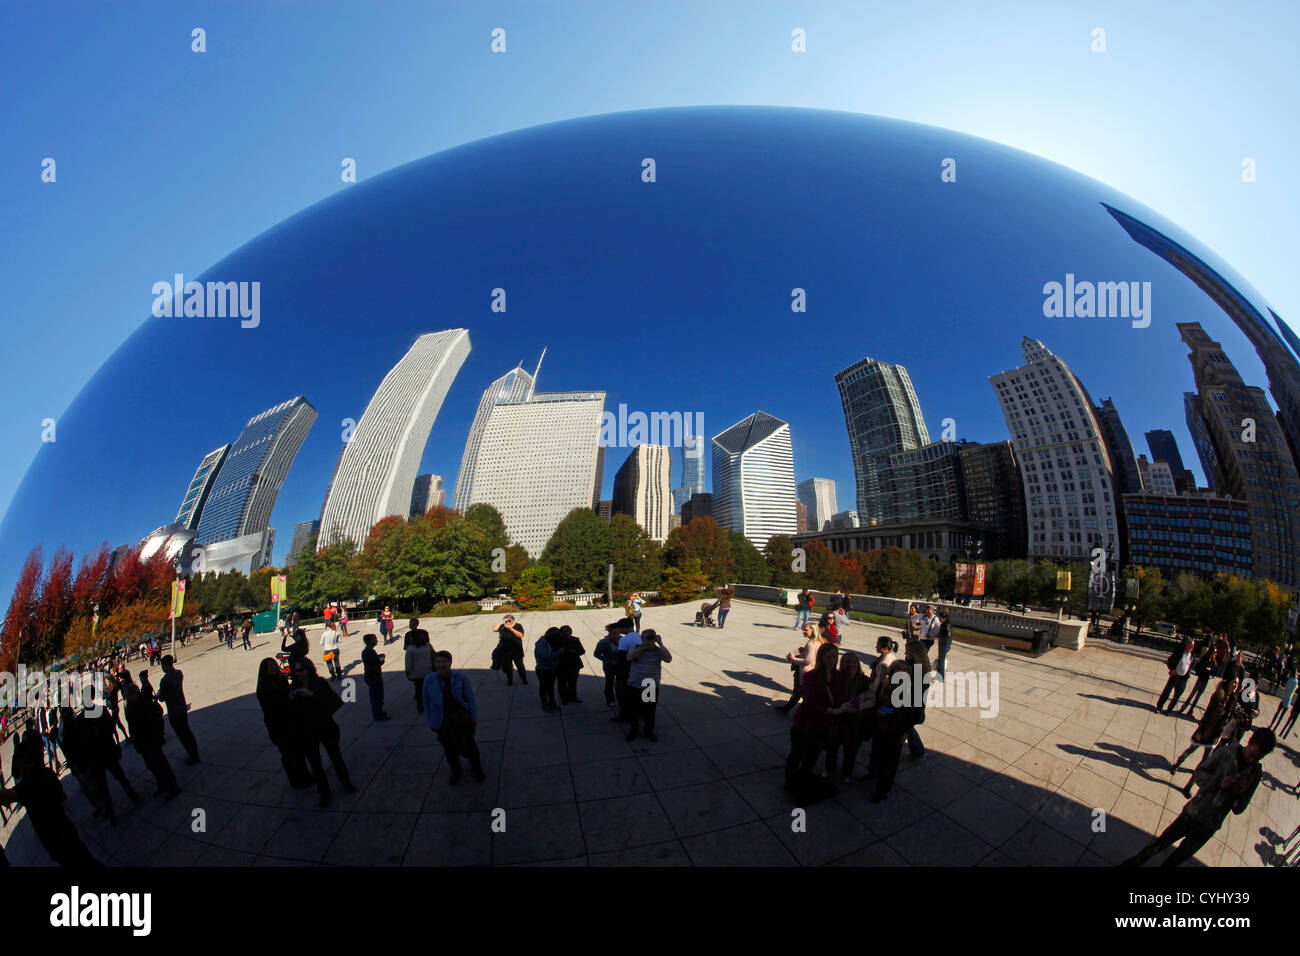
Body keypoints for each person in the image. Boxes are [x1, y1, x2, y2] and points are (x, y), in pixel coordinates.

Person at [1123, 728, 1276, 867]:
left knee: (1174, 861)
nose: (1251, 760)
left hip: (1208, 826)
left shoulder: (1255, 774)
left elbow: (1240, 809)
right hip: (1193, 813)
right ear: (1249, 742)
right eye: (1251, 755)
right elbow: (1198, 774)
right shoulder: (1227, 752)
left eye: (1257, 758)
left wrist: (1238, 794)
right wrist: (1218, 783)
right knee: (1159, 844)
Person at [0, 736, 100, 867]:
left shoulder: (29, 785)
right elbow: (63, 796)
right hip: (66, 830)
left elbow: (5, 797)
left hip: (56, 840)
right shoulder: (47, 773)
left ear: (25, 762)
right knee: (85, 859)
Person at [289, 657, 356, 807]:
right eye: (296, 670)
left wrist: (312, 695)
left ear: (308, 669)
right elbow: (293, 712)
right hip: (307, 731)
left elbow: (333, 702)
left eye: (301, 670)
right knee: (315, 763)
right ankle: (323, 791)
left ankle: (345, 781)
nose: (298, 673)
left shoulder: (319, 683)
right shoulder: (294, 687)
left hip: (324, 726)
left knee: (335, 756)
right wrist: (291, 699)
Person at [867, 640, 930, 802]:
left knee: (890, 759)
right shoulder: (892, 683)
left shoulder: (915, 675)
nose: (905, 656)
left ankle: (882, 790)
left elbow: (904, 710)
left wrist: (889, 714)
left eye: (907, 653)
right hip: (885, 724)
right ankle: (873, 773)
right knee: (878, 752)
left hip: (897, 725)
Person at [784, 643, 839, 796]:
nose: (832, 660)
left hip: (823, 724)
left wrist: (851, 706)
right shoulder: (811, 675)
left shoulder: (837, 676)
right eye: (828, 657)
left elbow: (844, 696)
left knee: (813, 754)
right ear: (821, 658)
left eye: (834, 657)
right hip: (805, 722)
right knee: (797, 753)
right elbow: (809, 701)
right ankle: (790, 781)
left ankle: (803, 777)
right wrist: (830, 710)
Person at [423, 650, 485, 784]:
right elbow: (426, 702)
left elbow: (470, 698)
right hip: (443, 720)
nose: (440, 665)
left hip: (462, 717)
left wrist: (474, 715)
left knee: (470, 744)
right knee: (449, 748)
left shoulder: (460, 677)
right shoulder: (430, 680)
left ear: (450, 663)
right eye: (437, 662)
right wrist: (431, 721)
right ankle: (456, 771)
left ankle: (477, 769)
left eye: (443, 661)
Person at [256, 658, 312, 789]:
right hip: (278, 727)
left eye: (274, 665)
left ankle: (305, 775)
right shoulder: (264, 688)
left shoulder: (281, 680)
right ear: (264, 670)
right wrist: (287, 699)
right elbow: (271, 708)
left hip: (291, 722)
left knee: (299, 751)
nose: (274, 668)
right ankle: (295, 779)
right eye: (270, 666)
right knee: (288, 754)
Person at [1170, 676, 1237, 781]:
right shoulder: (1218, 695)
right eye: (1233, 682)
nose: (1234, 685)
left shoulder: (1232, 699)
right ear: (1228, 682)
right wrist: (1200, 730)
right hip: (1206, 729)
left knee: (1206, 760)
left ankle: (1190, 783)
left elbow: (1227, 719)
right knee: (1191, 749)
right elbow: (1208, 714)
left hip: (1215, 734)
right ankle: (1178, 763)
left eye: (1236, 684)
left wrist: (1221, 734)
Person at [124, 682, 180, 799]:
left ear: (135, 694)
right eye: (127, 695)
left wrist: (158, 737)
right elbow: (132, 726)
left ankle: (173, 786)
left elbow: (158, 720)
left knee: (161, 764)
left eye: (129, 695)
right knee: (152, 766)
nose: (127, 697)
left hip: (151, 740)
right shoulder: (130, 707)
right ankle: (162, 784)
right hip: (142, 743)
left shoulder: (144, 704)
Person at [825, 651, 870, 783]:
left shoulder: (864, 680)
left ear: (858, 664)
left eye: (853, 662)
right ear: (842, 664)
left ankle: (847, 773)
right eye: (847, 662)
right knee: (833, 746)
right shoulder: (837, 677)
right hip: (838, 717)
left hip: (855, 720)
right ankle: (829, 769)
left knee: (850, 749)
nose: (851, 665)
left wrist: (855, 706)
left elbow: (870, 697)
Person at [626, 629, 672, 742]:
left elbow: (668, 659)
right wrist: (643, 647)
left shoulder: (658, 650)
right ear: (642, 639)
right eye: (647, 637)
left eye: (652, 637)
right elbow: (629, 658)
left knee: (650, 710)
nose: (650, 640)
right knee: (634, 710)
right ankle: (634, 730)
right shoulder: (636, 647)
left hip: (650, 686)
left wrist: (660, 644)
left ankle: (648, 730)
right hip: (635, 685)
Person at [157, 656, 200, 765]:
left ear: (165, 665)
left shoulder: (164, 680)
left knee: (182, 734)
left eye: (162, 665)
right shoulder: (179, 673)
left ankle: (192, 755)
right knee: (187, 731)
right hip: (181, 706)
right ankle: (195, 751)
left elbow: (161, 698)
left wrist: (159, 694)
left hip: (173, 710)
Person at [776, 623, 826, 715]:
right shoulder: (818, 641)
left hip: (806, 672)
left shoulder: (811, 643)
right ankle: (787, 708)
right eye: (803, 629)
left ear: (813, 630)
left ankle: (806, 712)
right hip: (813, 671)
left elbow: (808, 661)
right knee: (801, 692)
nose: (803, 632)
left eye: (806, 630)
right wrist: (804, 651)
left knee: (802, 693)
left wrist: (793, 658)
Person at [614, 618, 643, 723]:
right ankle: (638, 713)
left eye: (620, 627)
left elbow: (622, 657)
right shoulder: (639, 637)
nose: (619, 630)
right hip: (639, 670)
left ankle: (625, 715)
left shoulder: (624, 639)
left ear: (626, 627)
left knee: (622, 694)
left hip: (626, 671)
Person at [1157, 637, 1196, 713]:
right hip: (1175, 676)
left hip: (1183, 679)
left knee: (1177, 696)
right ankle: (1159, 707)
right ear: (1186, 645)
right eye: (1189, 646)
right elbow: (1170, 660)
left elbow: (1190, 666)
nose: (1190, 648)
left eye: (1192, 647)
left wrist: (1188, 674)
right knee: (1166, 692)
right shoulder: (1180, 653)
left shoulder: (1192, 657)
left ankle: (1169, 710)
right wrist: (1172, 669)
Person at [1180, 641, 1218, 716]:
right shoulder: (1206, 659)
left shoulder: (1213, 662)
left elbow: (1214, 672)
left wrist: (1210, 670)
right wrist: (1206, 670)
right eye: (1214, 652)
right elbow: (1200, 667)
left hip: (1205, 680)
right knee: (1192, 694)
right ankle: (1184, 707)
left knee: (1198, 696)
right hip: (1201, 679)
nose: (1215, 654)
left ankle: (1191, 710)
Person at [361, 635, 391, 721]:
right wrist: (381, 661)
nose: (377, 641)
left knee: (379, 696)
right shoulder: (368, 652)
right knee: (376, 697)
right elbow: (373, 664)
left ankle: (379, 711)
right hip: (373, 677)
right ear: (369, 641)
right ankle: (378, 714)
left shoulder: (369, 651)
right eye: (374, 640)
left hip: (374, 676)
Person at [404, 629, 434, 714]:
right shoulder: (427, 645)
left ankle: (420, 707)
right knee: (428, 689)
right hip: (428, 671)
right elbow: (433, 655)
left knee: (419, 690)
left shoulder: (410, 649)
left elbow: (408, 664)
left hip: (416, 674)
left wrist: (408, 673)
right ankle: (429, 704)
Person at [491, 615, 527, 686]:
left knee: (520, 666)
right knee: (508, 667)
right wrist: (502, 622)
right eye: (506, 620)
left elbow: (521, 635)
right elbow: (494, 629)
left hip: (516, 650)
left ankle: (524, 679)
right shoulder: (502, 626)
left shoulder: (518, 626)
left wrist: (511, 629)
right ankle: (510, 680)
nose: (507, 622)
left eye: (509, 621)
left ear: (513, 620)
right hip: (505, 650)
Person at [593, 623, 621, 709]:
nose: (616, 635)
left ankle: (620, 698)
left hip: (620, 666)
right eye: (614, 633)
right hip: (609, 666)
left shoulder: (622, 640)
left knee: (620, 682)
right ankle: (610, 699)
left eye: (618, 633)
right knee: (609, 682)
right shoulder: (604, 642)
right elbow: (596, 654)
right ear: (610, 633)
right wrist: (607, 660)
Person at [534, 627, 562, 712]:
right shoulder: (541, 643)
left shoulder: (548, 641)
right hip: (543, 669)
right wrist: (560, 651)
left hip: (551, 668)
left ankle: (552, 703)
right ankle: (545, 703)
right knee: (544, 687)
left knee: (550, 687)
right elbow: (545, 656)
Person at [556, 625, 585, 704]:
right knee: (562, 683)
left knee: (573, 682)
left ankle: (573, 697)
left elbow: (582, 651)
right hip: (562, 665)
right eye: (565, 632)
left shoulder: (575, 640)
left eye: (568, 631)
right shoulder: (558, 641)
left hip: (574, 664)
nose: (567, 633)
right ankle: (563, 698)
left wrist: (574, 651)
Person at [36, 705, 61, 772]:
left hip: (49, 733)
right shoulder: (38, 711)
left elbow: (47, 722)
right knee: (51, 751)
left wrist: (47, 729)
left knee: (52, 750)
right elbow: (38, 723)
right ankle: (56, 764)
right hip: (44, 734)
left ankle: (54, 767)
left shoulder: (46, 711)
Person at [934, 611, 954, 682]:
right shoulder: (944, 624)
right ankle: (939, 675)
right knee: (940, 660)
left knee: (941, 661)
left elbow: (948, 634)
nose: (939, 618)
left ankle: (941, 677)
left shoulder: (947, 624)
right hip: (943, 643)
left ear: (944, 618)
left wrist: (940, 636)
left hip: (944, 644)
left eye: (940, 617)